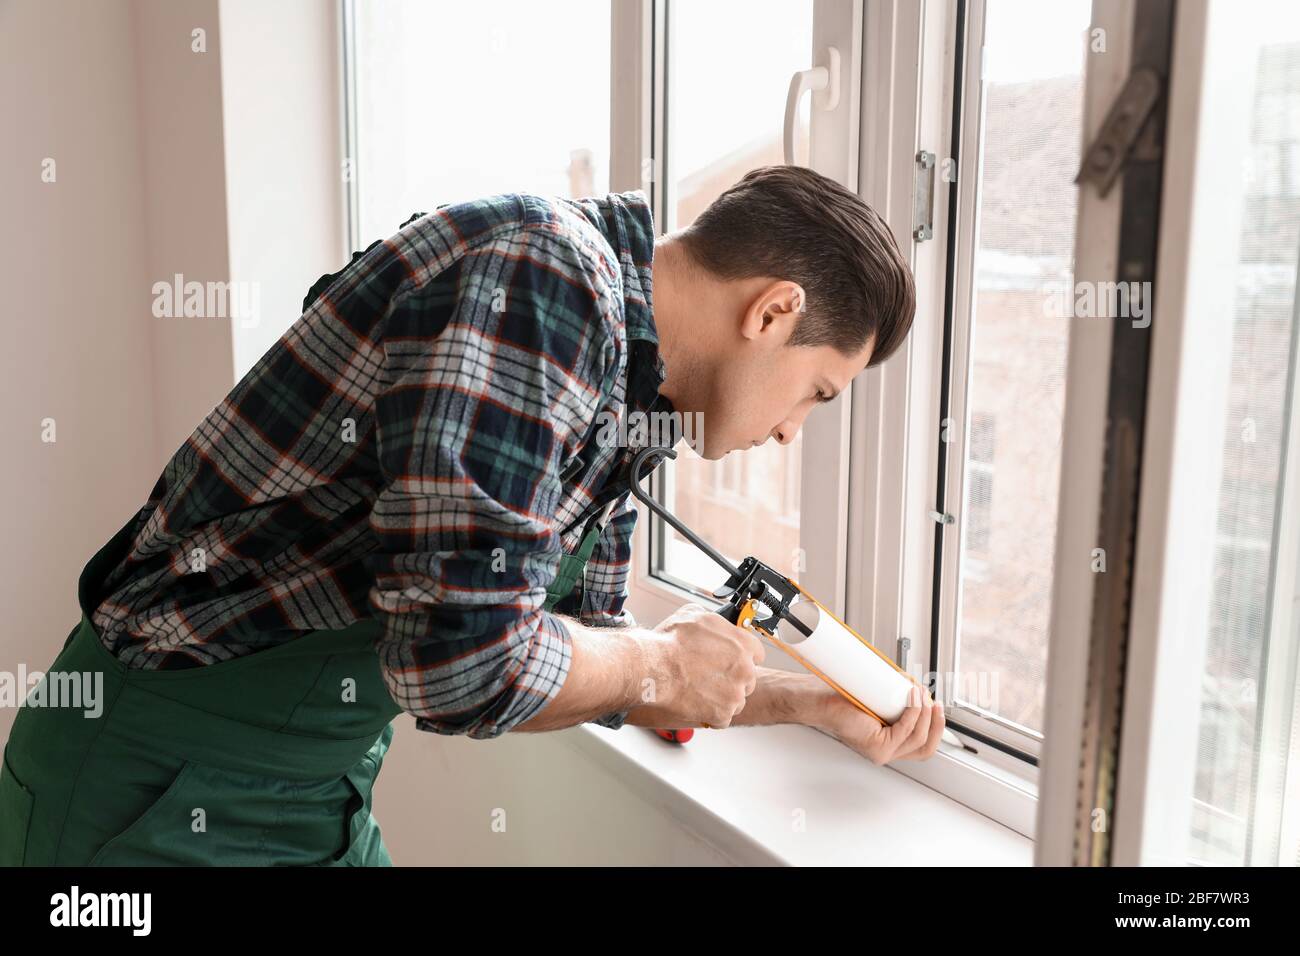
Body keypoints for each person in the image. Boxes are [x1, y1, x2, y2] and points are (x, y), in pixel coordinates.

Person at [0, 164, 939, 867]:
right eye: (817, 393)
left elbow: (576, 661)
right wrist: (657, 659)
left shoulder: (633, 396)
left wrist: (811, 707)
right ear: (774, 312)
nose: (788, 435)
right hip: (153, 783)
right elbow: (463, 669)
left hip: (314, 788)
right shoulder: (539, 280)